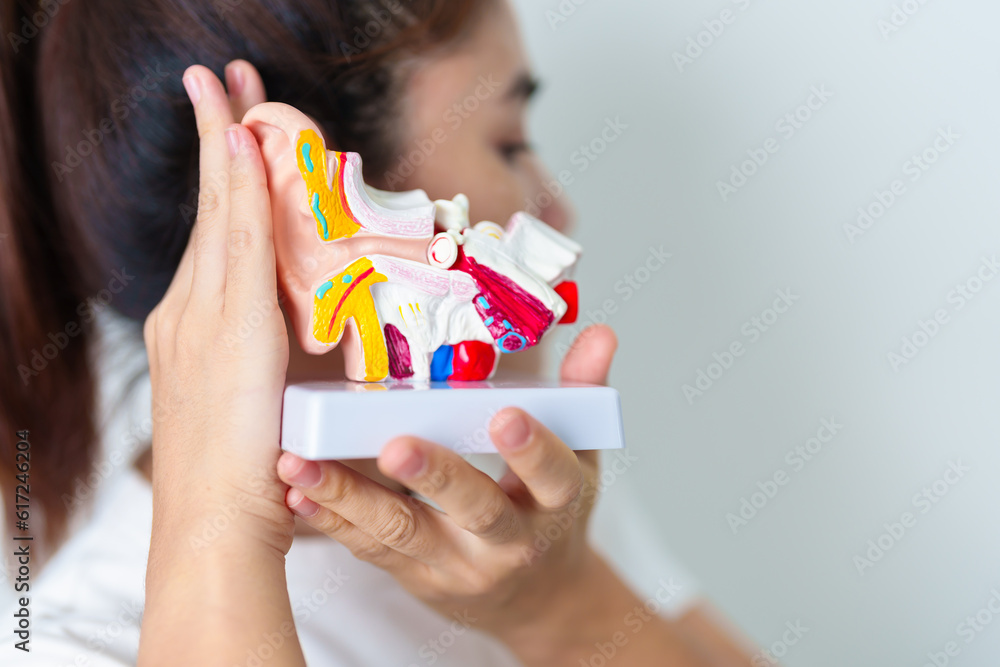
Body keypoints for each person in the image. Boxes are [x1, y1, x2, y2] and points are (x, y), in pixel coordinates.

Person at [0, 0, 758, 664]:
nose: (558, 208)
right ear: (290, 203)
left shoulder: (521, 491)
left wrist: (561, 608)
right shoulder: (78, 642)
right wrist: (217, 541)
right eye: (508, 142)